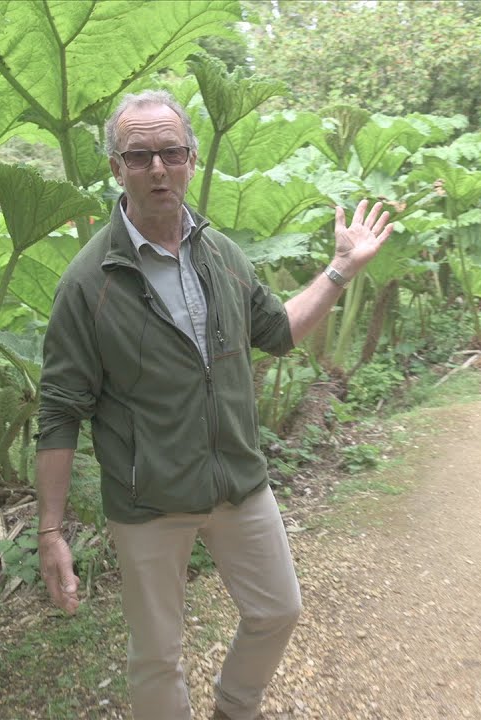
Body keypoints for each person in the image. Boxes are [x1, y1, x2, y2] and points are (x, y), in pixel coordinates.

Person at [34, 89, 391, 720]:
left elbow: (276, 331)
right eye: (139, 155)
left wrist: (339, 270)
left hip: (237, 479)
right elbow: (60, 410)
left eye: (171, 152)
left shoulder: (220, 254)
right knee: (156, 658)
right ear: (116, 168)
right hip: (149, 500)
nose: (158, 169)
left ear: (193, 158)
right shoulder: (88, 283)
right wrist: (51, 531)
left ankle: (234, 706)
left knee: (278, 609)